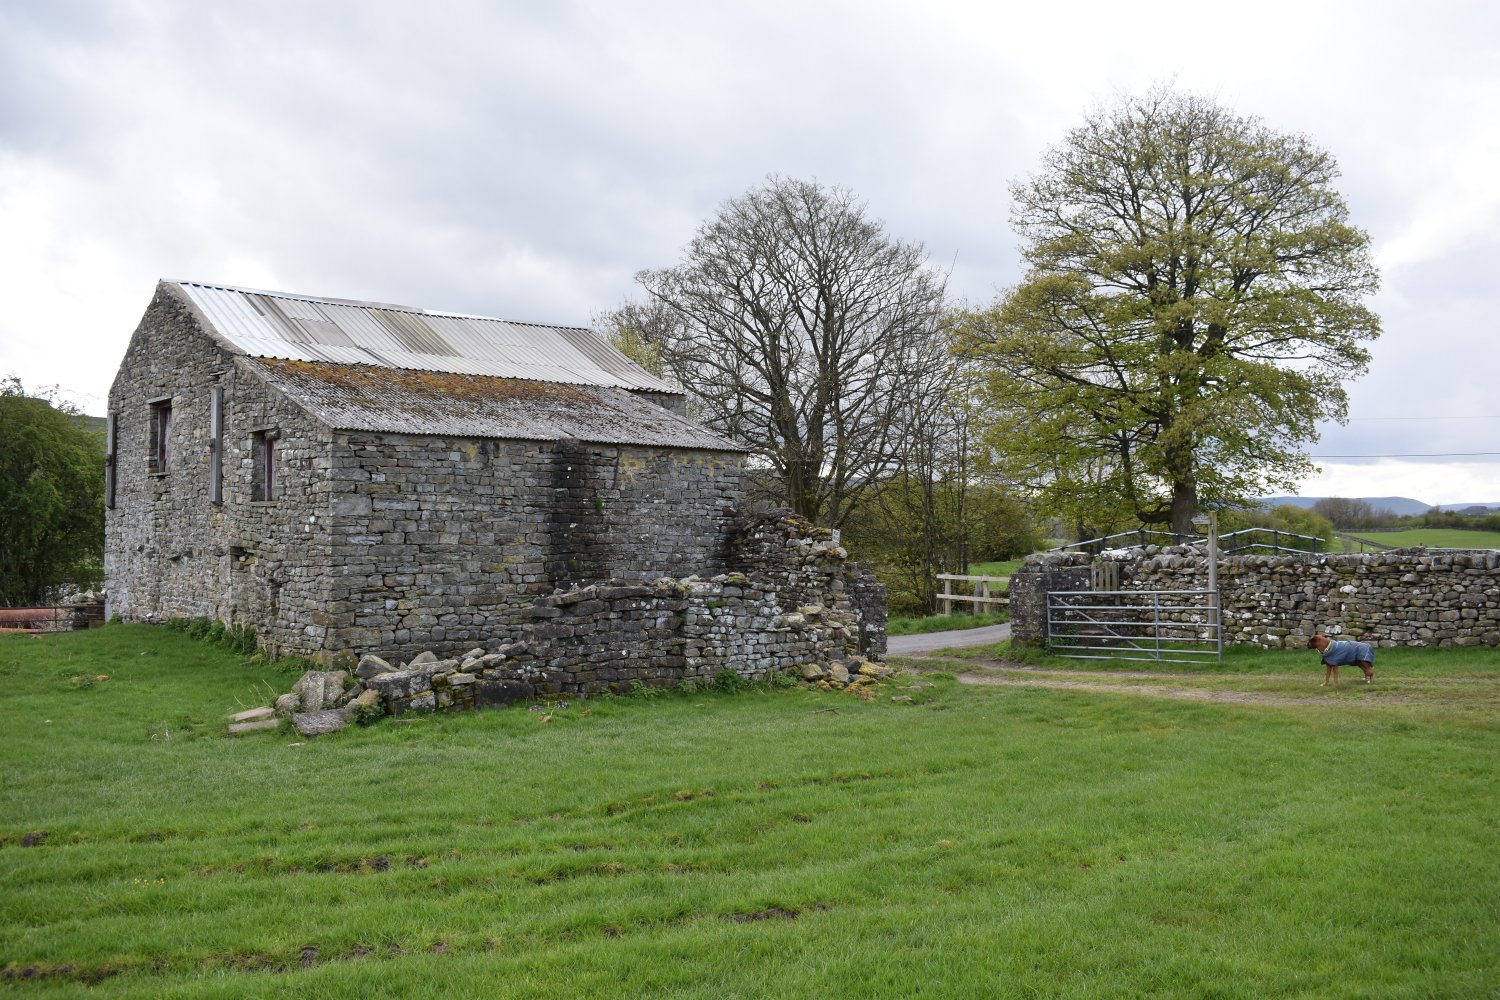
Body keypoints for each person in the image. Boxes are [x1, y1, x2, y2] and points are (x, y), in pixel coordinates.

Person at [1307, 633, 1374, 686]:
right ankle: (1326, 682)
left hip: (1359, 648)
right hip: (1350, 646)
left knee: (1364, 664)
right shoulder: (1327, 650)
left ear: (1318, 641)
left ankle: (1370, 678)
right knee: (1360, 664)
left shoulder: (1329, 648)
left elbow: (1334, 666)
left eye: (1311, 642)